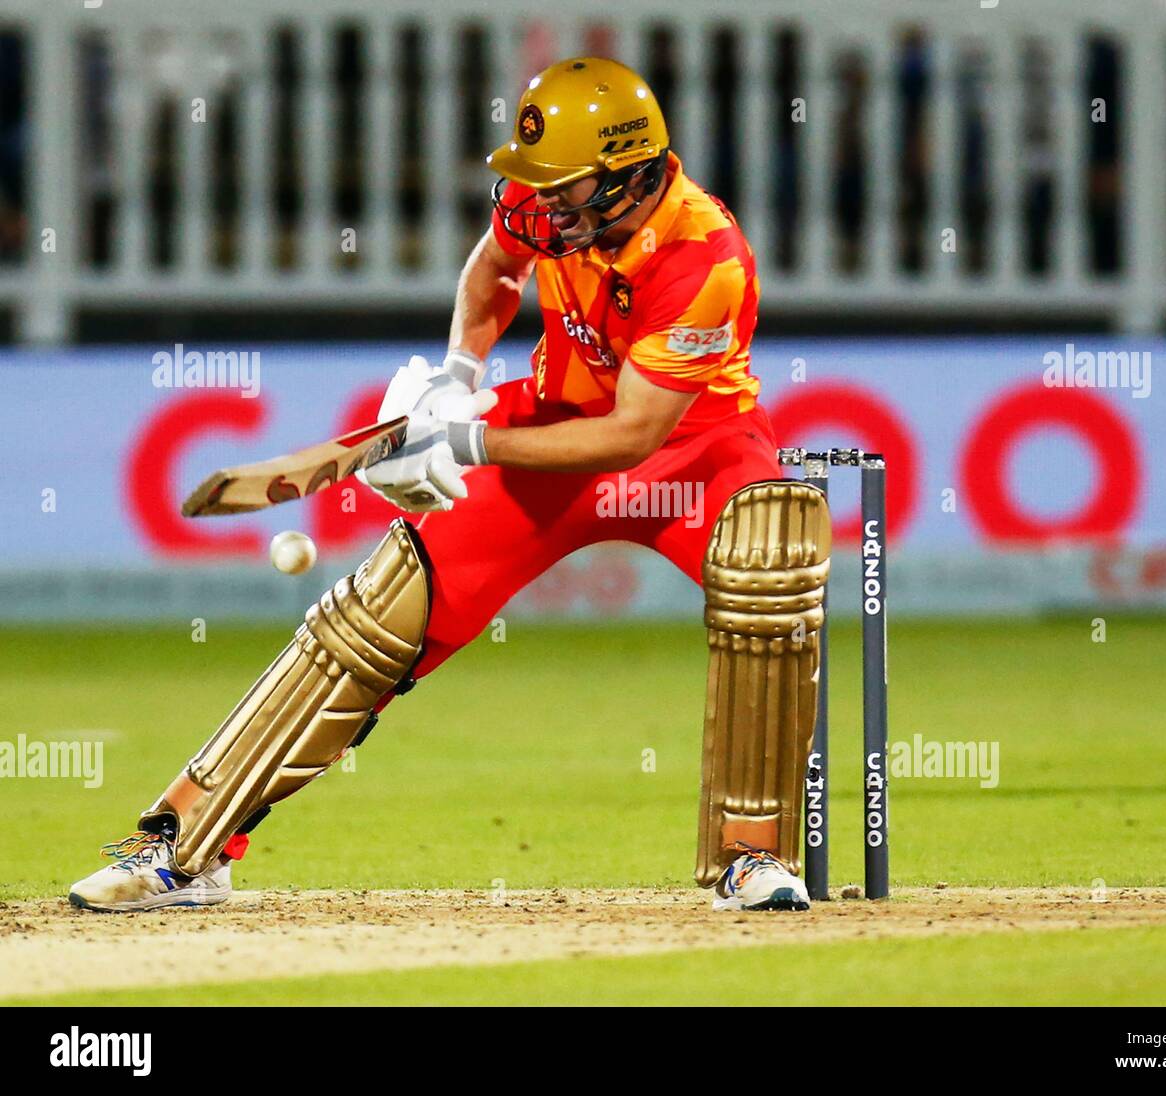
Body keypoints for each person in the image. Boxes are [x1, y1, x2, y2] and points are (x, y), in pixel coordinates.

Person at [70, 57, 830, 914]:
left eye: (565, 189)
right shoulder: (552, 213)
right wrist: (456, 376)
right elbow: (493, 272)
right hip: (554, 418)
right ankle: (186, 841)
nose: (543, 207)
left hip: (695, 451)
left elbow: (634, 435)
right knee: (379, 611)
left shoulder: (705, 258)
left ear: (628, 177)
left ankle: (751, 857)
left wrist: (466, 439)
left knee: (772, 554)